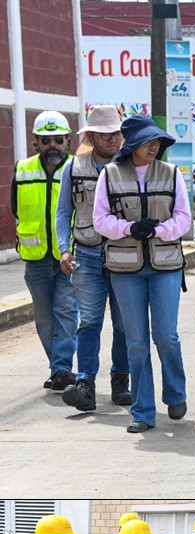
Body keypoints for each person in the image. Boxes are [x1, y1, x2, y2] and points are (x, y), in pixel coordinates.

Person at [92, 115, 192, 433]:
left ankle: (175, 394)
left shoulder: (171, 173)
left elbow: (184, 218)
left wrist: (160, 230)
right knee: (136, 342)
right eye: (149, 141)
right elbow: (100, 220)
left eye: (158, 141)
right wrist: (129, 228)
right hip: (125, 269)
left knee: (166, 336)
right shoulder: (109, 175)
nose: (155, 146)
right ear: (133, 144)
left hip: (166, 266)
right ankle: (143, 411)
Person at [57, 105, 132, 412]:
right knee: (88, 321)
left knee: (125, 323)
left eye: (116, 133)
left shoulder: (129, 166)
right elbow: (64, 212)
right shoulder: (74, 168)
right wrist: (64, 248)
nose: (112, 139)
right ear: (91, 136)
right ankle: (85, 382)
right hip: (87, 255)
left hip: (124, 255)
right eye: (104, 135)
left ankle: (121, 381)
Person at [13, 110, 78, 391]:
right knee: (43, 317)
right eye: (46, 140)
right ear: (35, 142)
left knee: (65, 310)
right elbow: (14, 207)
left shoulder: (78, 169)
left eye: (58, 140)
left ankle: (61, 368)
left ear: (68, 142)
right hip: (35, 258)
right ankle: (59, 368)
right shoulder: (23, 169)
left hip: (70, 256)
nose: (53, 145)